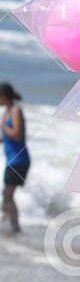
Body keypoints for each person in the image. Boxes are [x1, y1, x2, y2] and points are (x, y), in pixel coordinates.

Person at [1, 83, 29, 236]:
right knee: (7, 195)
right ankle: (11, 226)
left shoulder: (16, 111)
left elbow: (17, 134)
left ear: (3, 96)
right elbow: (6, 136)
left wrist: (4, 127)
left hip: (19, 160)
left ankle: (14, 228)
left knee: (7, 195)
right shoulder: (7, 111)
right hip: (11, 160)